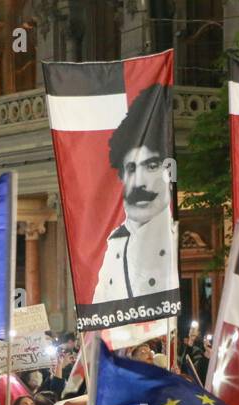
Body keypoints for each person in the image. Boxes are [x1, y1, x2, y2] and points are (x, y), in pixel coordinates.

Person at [93, 83, 177, 304]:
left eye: (151, 166)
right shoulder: (114, 244)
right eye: (131, 168)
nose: (139, 182)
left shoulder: (174, 234)